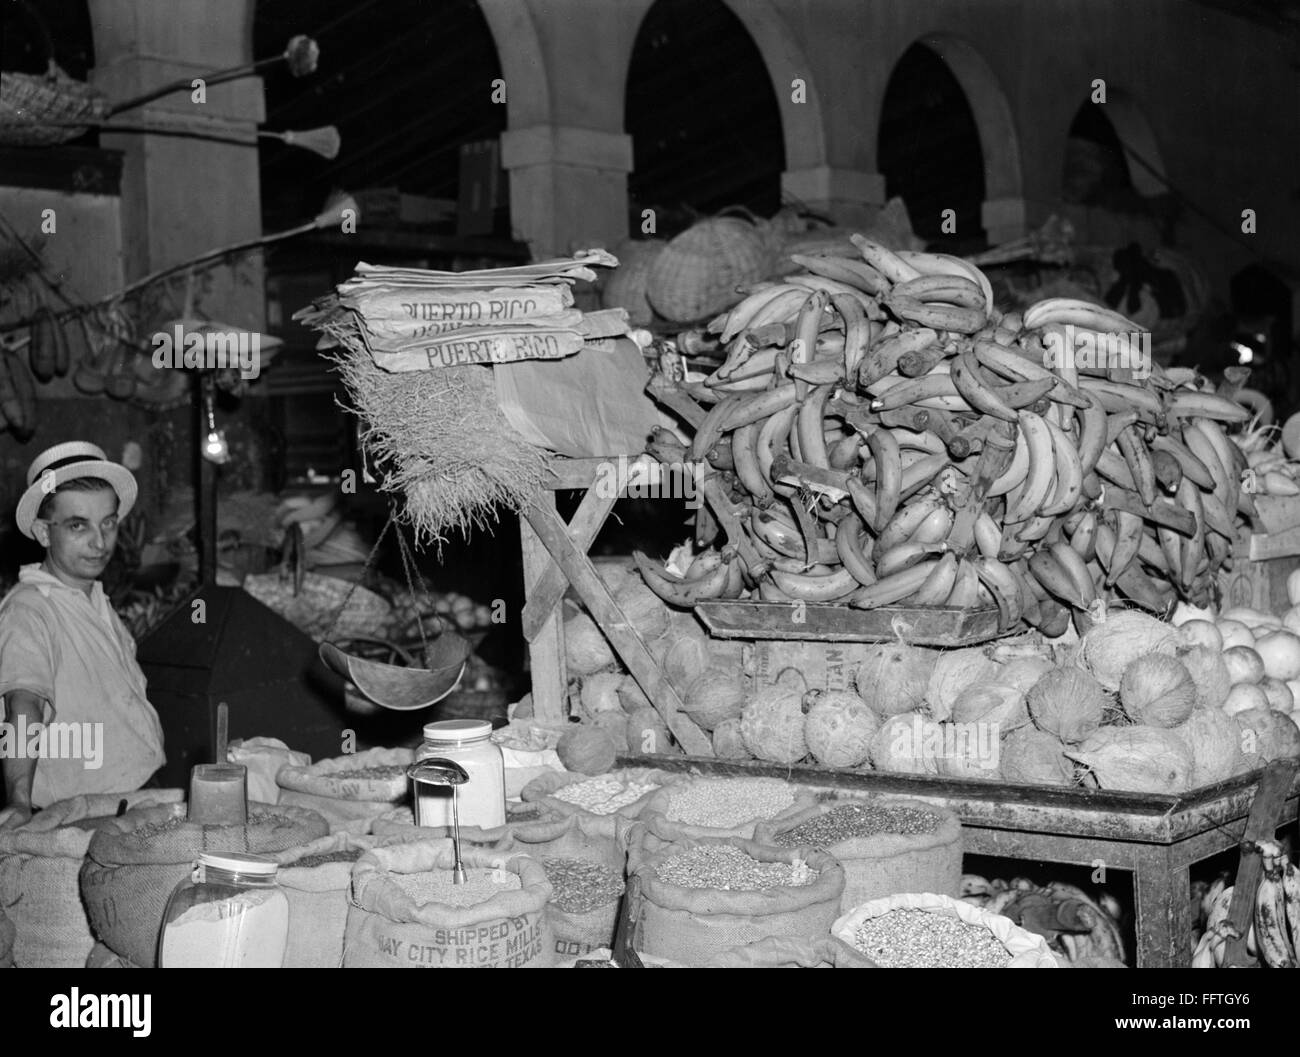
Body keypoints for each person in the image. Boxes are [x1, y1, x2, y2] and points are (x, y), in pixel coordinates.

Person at [0, 442, 165, 823]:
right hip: (81, 814)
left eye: (108, 523)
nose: (99, 541)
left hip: (133, 797)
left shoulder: (92, 597)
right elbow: (23, 707)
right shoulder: (29, 609)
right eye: (78, 525)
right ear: (43, 532)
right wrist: (19, 799)